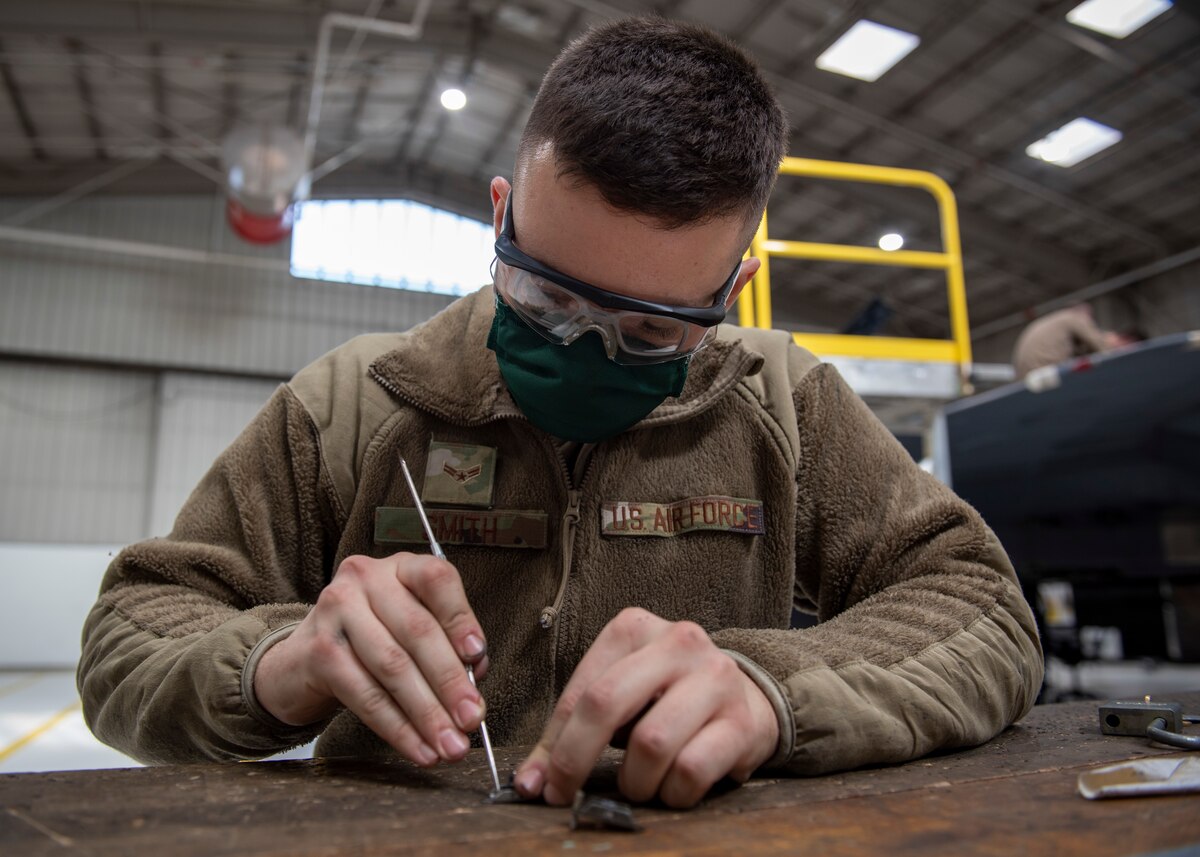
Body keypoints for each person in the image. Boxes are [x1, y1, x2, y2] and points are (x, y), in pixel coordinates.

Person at [78, 17, 1043, 810]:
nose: (584, 350)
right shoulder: (356, 405)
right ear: (502, 214)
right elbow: (129, 635)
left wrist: (775, 689)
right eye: (548, 301)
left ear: (735, 287)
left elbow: (982, 608)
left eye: (648, 332)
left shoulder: (782, 403)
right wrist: (275, 663)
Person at [1012, 303, 1131, 379]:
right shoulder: (1075, 317)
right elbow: (1099, 345)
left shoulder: (1054, 321)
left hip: (1024, 377)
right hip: (1046, 370)